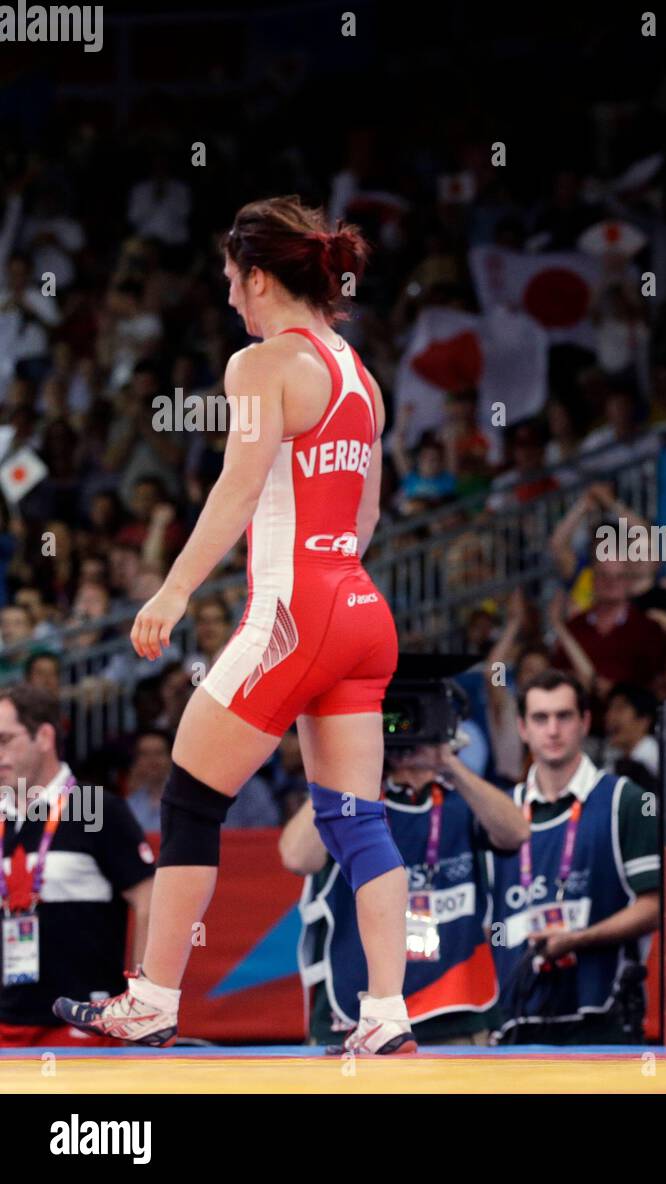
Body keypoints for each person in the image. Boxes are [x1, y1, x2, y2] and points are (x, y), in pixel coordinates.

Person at [54, 196, 414, 1054]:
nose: (227, 298)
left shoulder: (261, 366)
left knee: (187, 798)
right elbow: (363, 518)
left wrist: (172, 594)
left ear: (258, 276)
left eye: (229, 279)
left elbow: (237, 489)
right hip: (361, 610)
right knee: (356, 819)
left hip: (295, 615)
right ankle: (386, 1014)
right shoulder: (359, 376)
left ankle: (152, 999)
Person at [280, 739, 528, 1046]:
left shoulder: (462, 801)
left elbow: (517, 832)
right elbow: (296, 857)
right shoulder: (350, 806)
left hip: (456, 1014)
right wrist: (352, 765)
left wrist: (449, 763)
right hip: (355, 1015)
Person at [491, 671, 660, 1044]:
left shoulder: (624, 800)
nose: (552, 730)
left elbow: (654, 907)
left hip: (603, 1018)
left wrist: (578, 939)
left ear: (585, 722)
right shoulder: (500, 812)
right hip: (516, 1020)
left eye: (564, 716)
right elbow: (487, 923)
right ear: (522, 727)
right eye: (540, 718)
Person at [0, 686, 155, 1048]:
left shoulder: (97, 808)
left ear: (44, 736)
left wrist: (141, 1008)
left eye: (5, 740)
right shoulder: (3, 818)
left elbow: (151, 901)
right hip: (7, 1027)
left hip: (86, 1026)